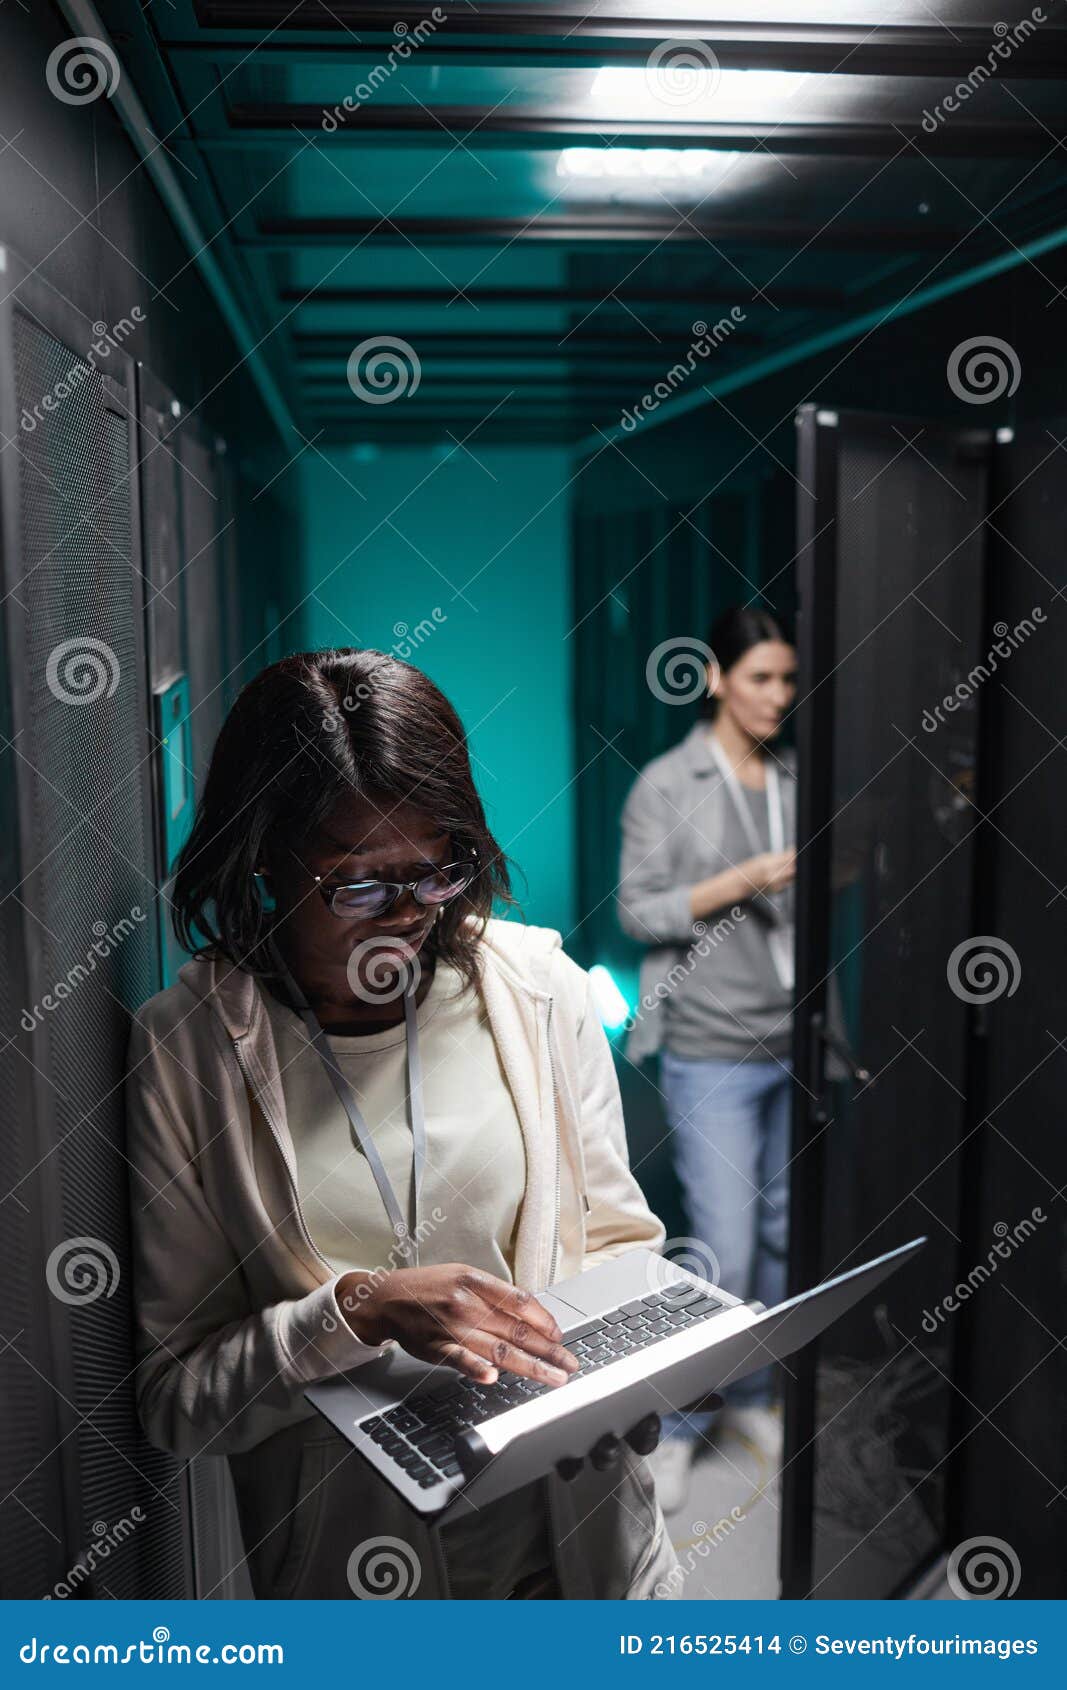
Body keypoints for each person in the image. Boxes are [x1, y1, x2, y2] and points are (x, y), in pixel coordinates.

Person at [124, 647, 686, 1600]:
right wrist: (354, 1312)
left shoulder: (538, 993)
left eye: (438, 870)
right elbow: (178, 1401)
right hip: (359, 1584)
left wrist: (645, 1368)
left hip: (587, 1554)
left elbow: (622, 1246)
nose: (411, 914)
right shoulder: (185, 1053)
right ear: (263, 866)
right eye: (357, 885)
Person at [616, 606, 798, 1511]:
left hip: (797, 1039)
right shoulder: (664, 782)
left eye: (787, 680)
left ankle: (757, 1395)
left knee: (776, 1235)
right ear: (718, 679)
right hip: (706, 1048)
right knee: (720, 1243)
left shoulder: (796, 779)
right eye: (761, 677)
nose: (777, 696)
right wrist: (745, 879)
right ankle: (681, 1422)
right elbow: (637, 911)